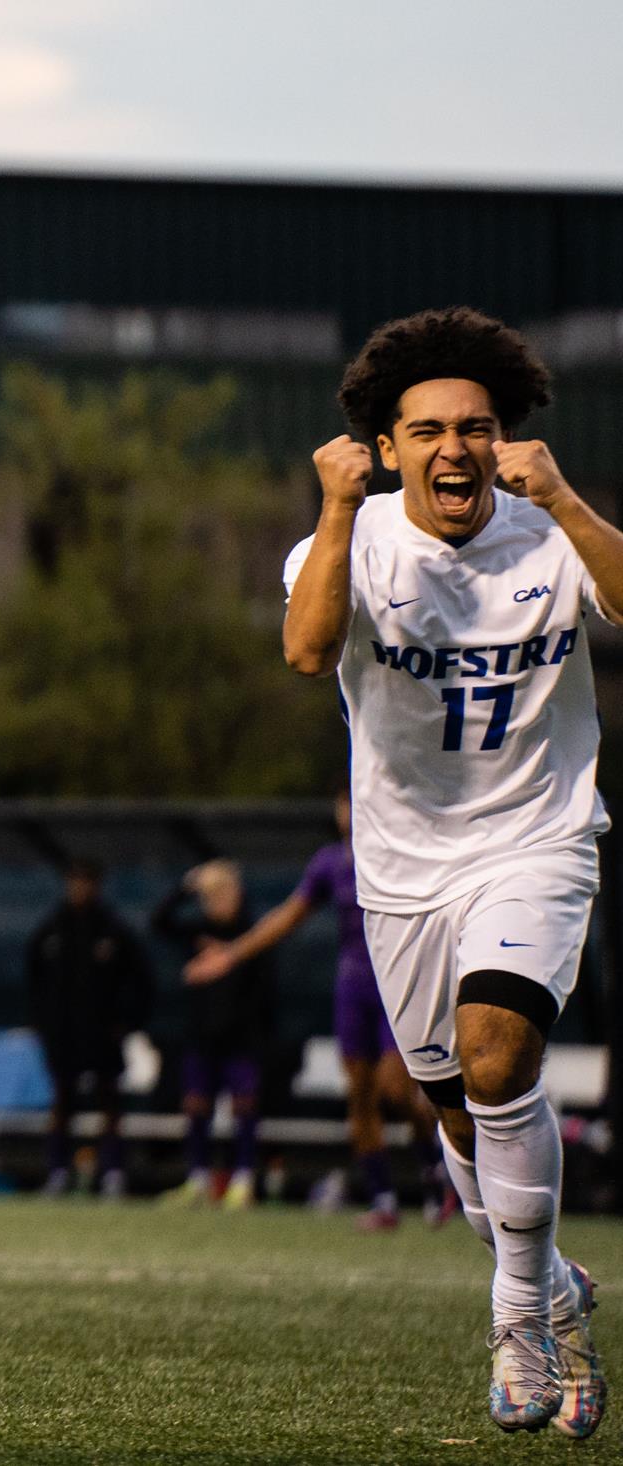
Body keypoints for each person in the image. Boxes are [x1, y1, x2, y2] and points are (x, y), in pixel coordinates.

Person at [283, 306, 616, 1435]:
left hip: (536, 837)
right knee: (462, 1118)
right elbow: (305, 649)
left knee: (496, 1055)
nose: (453, 448)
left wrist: (565, 501)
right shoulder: (352, 536)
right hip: (403, 870)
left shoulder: (549, 529)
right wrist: (335, 510)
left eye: (474, 427)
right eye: (425, 430)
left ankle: (518, 1315)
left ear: (502, 438)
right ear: (386, 448)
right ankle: (553, 1286)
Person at [188, 790, 452, 1231]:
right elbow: (290, 915)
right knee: (359, 1095)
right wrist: (232, 954)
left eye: (356, 799)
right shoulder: (330, 862)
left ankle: (436, 1170)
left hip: (396, 985)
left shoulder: (399, 851)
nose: (348, 810)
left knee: (395, 1090)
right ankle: (383, 1200)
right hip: (352, 987)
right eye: (343, 802)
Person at [25, 859, 152, 1199]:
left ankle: (112, 1171)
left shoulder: (113, 930)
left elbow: (140, 981)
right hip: (63, 1033)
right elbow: (34, 978)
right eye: (75, 882)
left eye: (86, 882)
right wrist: (43, 1022)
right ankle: (57, 1171)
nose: (80, 889)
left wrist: (126, 1022)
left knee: (109, 1102)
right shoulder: (52, 929)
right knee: (61, 1101)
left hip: (102, 1034)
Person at [151, 860, 272, 1210]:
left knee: (244, 1107)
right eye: (210, 896)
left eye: (224, 893)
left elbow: (266, 991)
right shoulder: (198, 932)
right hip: (202, 1036)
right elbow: (158, 922)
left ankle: (243, 1180)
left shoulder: (252, 935)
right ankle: (199, 1180)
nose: (217, 902)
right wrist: (186, 887)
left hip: (242, 1038)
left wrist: (259, 1036)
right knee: (196, 1106)